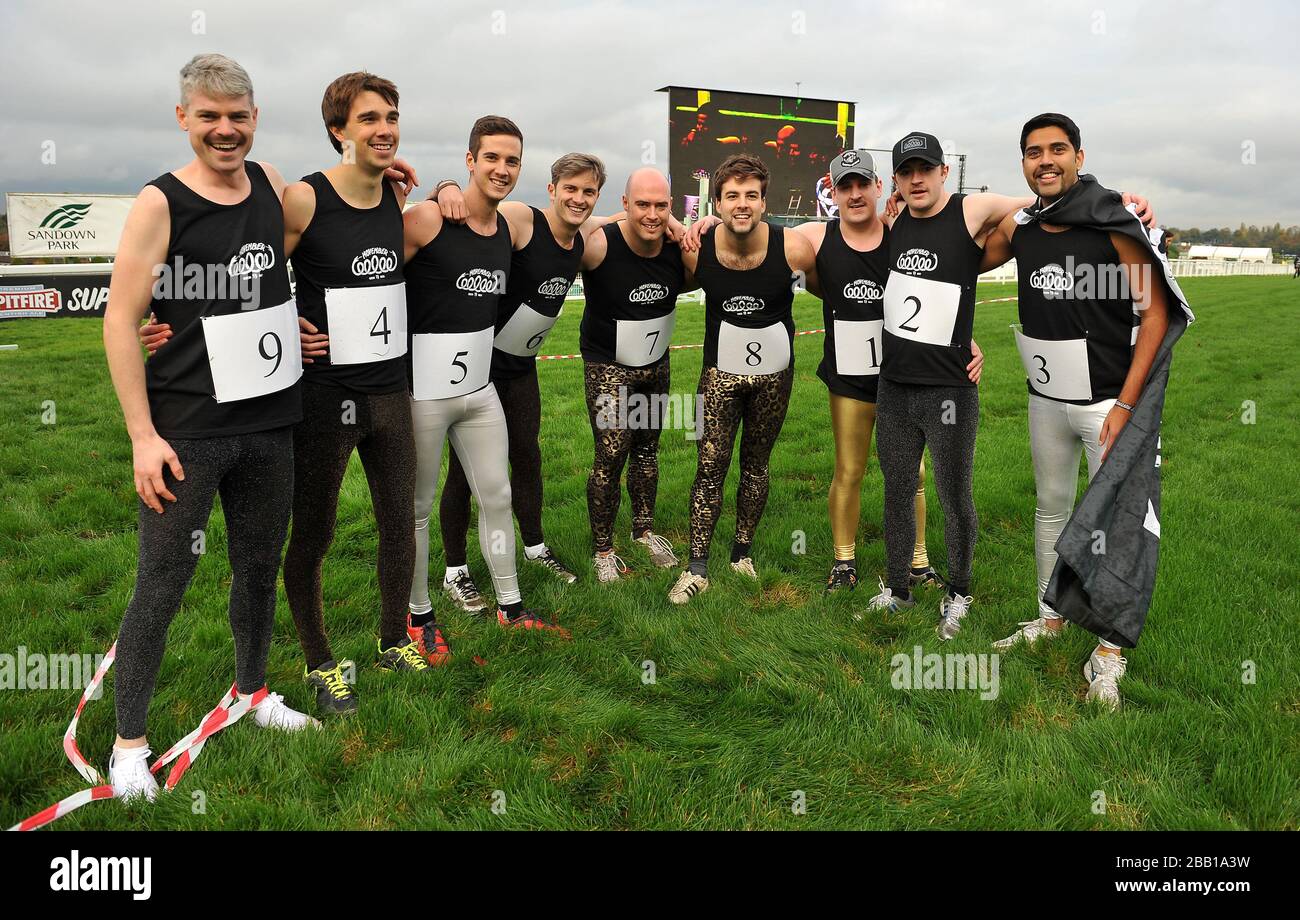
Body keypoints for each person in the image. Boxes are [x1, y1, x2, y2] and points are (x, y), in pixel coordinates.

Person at [140, 72, 434, 718]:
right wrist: (169, 317)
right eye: (367, 120)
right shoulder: (303, 199)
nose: (383, 129)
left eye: (390, 117)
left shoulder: (394, 197)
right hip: (324, 401)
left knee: (399, 525)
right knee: (316, 533)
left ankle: (392, 639)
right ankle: (319, 660)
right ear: (338, 131)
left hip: (390, 394)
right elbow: (236, 263)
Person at [103, 53, 316, 799]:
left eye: (238, 116)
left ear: (254, 118)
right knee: (161, 583)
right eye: (208, 117)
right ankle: (130, 744)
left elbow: (268, 269)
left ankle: (251, 692)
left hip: (270, 424)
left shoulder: (270, 184)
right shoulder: (159, 203)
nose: (225, 130)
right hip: (187, 431)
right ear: (183, 119)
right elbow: (119, 322)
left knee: (259, 571)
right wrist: (142, 436)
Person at [684, 150, 979, 593]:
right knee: (849, 470)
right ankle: (844, 562)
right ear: (833, 193)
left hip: (905, 373)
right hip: (847, 376)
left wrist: (964, 338)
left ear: (881, 187)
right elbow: (759, 230)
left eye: (863, 184)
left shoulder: (904, 232)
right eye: (846, 186)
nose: (855, 194)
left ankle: (918, 561)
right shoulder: (814, 239)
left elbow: (944, 284)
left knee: (912, 473)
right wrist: (705, 221)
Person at [982, 113, 1168, 709]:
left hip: (1110, 402)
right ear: (1023, 163)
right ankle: (1050, 616)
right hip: (1047, 401)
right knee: (1051, 510)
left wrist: (1128, 407)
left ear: (1079, 156)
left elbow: (1156, 315)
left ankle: (1110, 649)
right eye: (1033, 153)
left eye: (1057, 150)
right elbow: (964, 257)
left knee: (1120, 523)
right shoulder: (1026, 229)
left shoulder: (1114, 220)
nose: (1046, 161)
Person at [404, 116, 567, 635]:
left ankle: (511, 607)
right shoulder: (428, 219)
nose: (502, 169)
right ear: (470, 160)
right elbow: (364, 269)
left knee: (497, 495)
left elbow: (580, 219)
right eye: (491, 157)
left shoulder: (507, 230)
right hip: (422, 395)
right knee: (416, 509)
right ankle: (418, 616)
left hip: (480, 391)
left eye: (512, 160)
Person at [430, 154, 608, 608]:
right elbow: (470, 211)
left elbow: (621, 216)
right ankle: (456, 571)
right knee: (466, 474)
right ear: (551, 189)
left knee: (528, 457)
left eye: (589, 191)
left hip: (521, 370)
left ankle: (534, 547)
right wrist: (448, 183)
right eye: (571, 188)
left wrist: (670, 220)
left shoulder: (582, 235)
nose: (579, 198)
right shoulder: (522, 219)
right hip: (476, 367)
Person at [667, 153, 818, 603]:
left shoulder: (793, 248)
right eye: (732, 195)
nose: (742, 204)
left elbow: (842, 285)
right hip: (719, 376)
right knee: (710, 468)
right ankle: (696, 567)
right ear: (717, 202)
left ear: (763, 201)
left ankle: (742, 554)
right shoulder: (696, 251)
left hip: (774, 378)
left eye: (751, 195)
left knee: (756, 466)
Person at [578, 167, 694, 582]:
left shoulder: (675, 251)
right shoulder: (599, 246)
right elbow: (560, 226)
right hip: (608, 366)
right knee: (611, 453)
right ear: (624, 203)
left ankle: (644, 530)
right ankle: (604, 549)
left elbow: (711, 250)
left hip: (655, 365)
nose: (651, 214)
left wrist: (680, 228)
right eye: (642, 204)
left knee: (647, 451)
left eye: (661, 206)